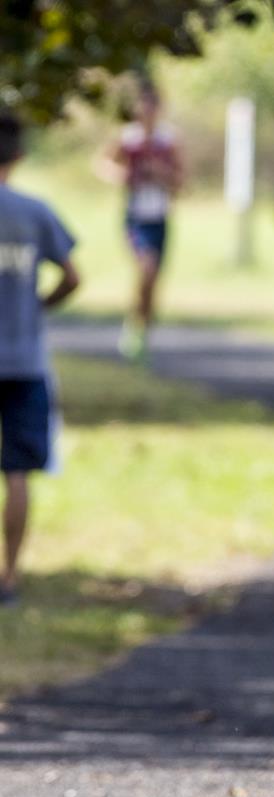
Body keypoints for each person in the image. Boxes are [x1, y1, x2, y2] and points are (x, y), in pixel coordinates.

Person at [0, 110, 80, 604]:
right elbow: (72, 276)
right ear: (19, 156)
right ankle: (10, 575)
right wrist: (38, 308)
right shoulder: (34, 212)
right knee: (17, 473)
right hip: (24, 359)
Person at [98, 81, 181, 367]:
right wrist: (121, 176)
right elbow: (103, 164)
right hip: (135, 216)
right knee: (145, 269)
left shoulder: (168, 140)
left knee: (153, 279)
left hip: (159, 216)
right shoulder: (128, 138)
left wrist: (160, 174)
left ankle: (142, 330)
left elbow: (181, 182)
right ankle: (134, 328)